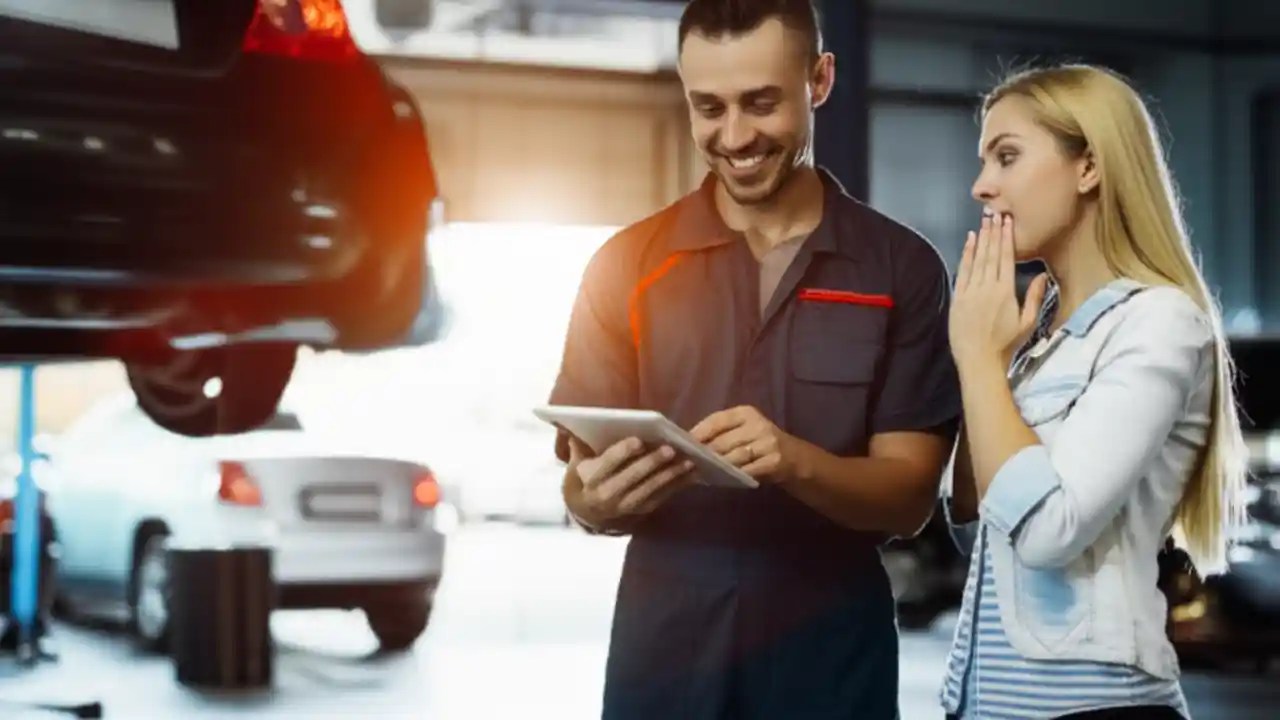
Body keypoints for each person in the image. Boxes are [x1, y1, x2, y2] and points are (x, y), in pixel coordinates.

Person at [547, 1, 962, 717]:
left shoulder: (902, 270)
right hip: (664, 652)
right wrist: (594, 503)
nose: (734, 136)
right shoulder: (624, 266)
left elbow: (908, 497)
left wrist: (793, 461)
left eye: (761, 104)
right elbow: (582, 491)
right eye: (708, 108)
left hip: (830, 655)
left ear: (820, 80)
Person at [941, 63, 1249, 720]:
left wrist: (975, 358)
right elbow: (976, 529)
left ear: (1089, 168)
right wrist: (988, 361)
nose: (981, 186)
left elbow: (1048, 532)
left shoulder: (1159, 324)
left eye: (1007, 156)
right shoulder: (1034, 341)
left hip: (1097, 709)